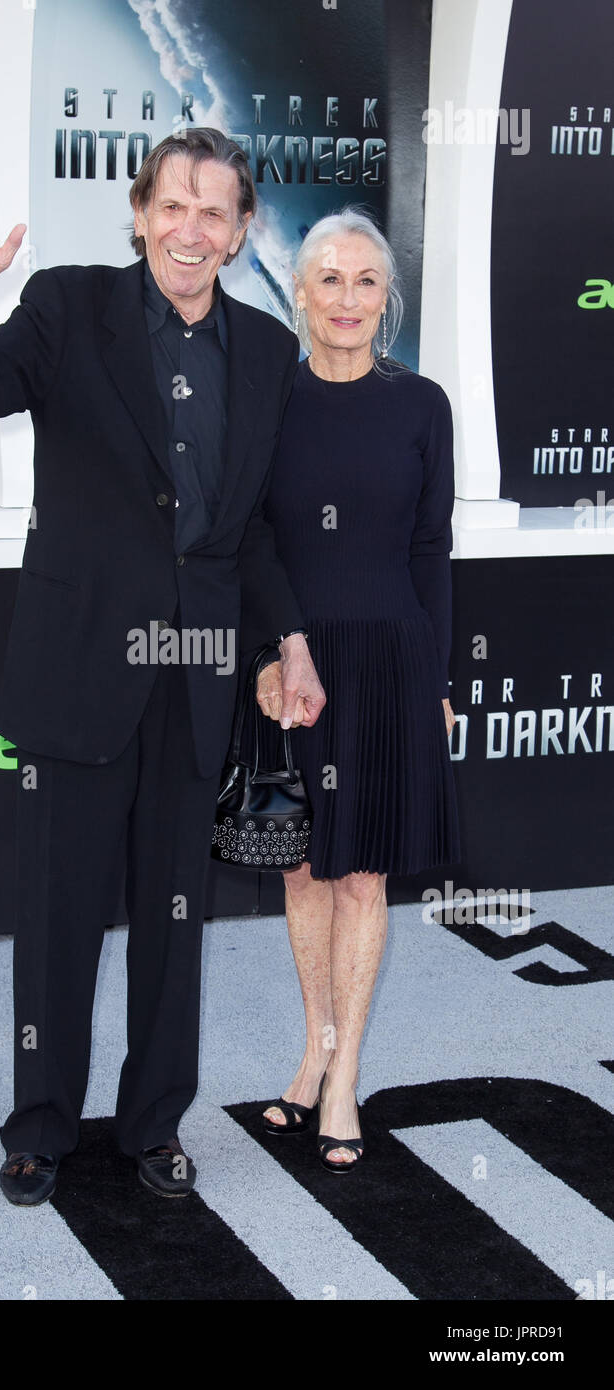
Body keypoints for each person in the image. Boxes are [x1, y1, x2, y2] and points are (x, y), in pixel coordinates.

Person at [0, 129, 325, 1205]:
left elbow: (258, 530)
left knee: (172, 922)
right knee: (56, 916)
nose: (191, 231)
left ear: (239, 235)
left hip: (192, 671)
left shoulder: (267, 351)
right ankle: (40, 1126)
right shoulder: (65, 307)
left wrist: (286, 641)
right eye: (174, 207)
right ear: (140, 212)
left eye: (215, 214)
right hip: (78, 663)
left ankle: (153, 1124)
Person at [256, 208, 460, 1173]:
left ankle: (344, 1081)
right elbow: (246, 542)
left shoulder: (423, 405)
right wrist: (268, 655)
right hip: (299, 665)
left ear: (388, 297)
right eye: (328, 280)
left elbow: (431, 548)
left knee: (364, 873)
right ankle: (314, 1047)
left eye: (365, 281)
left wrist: (440, 677)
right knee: (302, 868)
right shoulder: (268, 402)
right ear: (299, 292)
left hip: (389, 662)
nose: (346, 299)